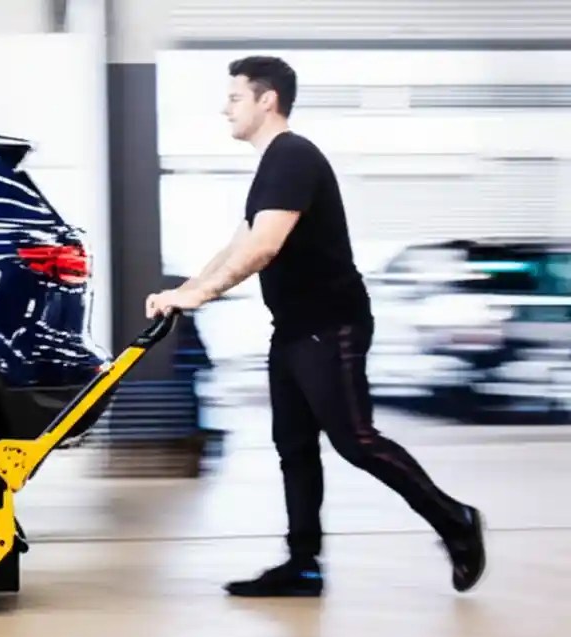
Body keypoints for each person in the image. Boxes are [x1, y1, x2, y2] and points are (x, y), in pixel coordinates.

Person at [144, 55, 486, 596]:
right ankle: (303, 565)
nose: (225, 108)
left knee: (356, 440)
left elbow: (264, 246)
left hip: (332, 324)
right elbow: (237, 243)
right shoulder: (273, 166)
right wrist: (185, 291)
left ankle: (456, 521)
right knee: (294, 445)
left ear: (266, 100)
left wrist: (202, 294)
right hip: (295, 327)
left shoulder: (294, 157)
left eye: (234, 98)